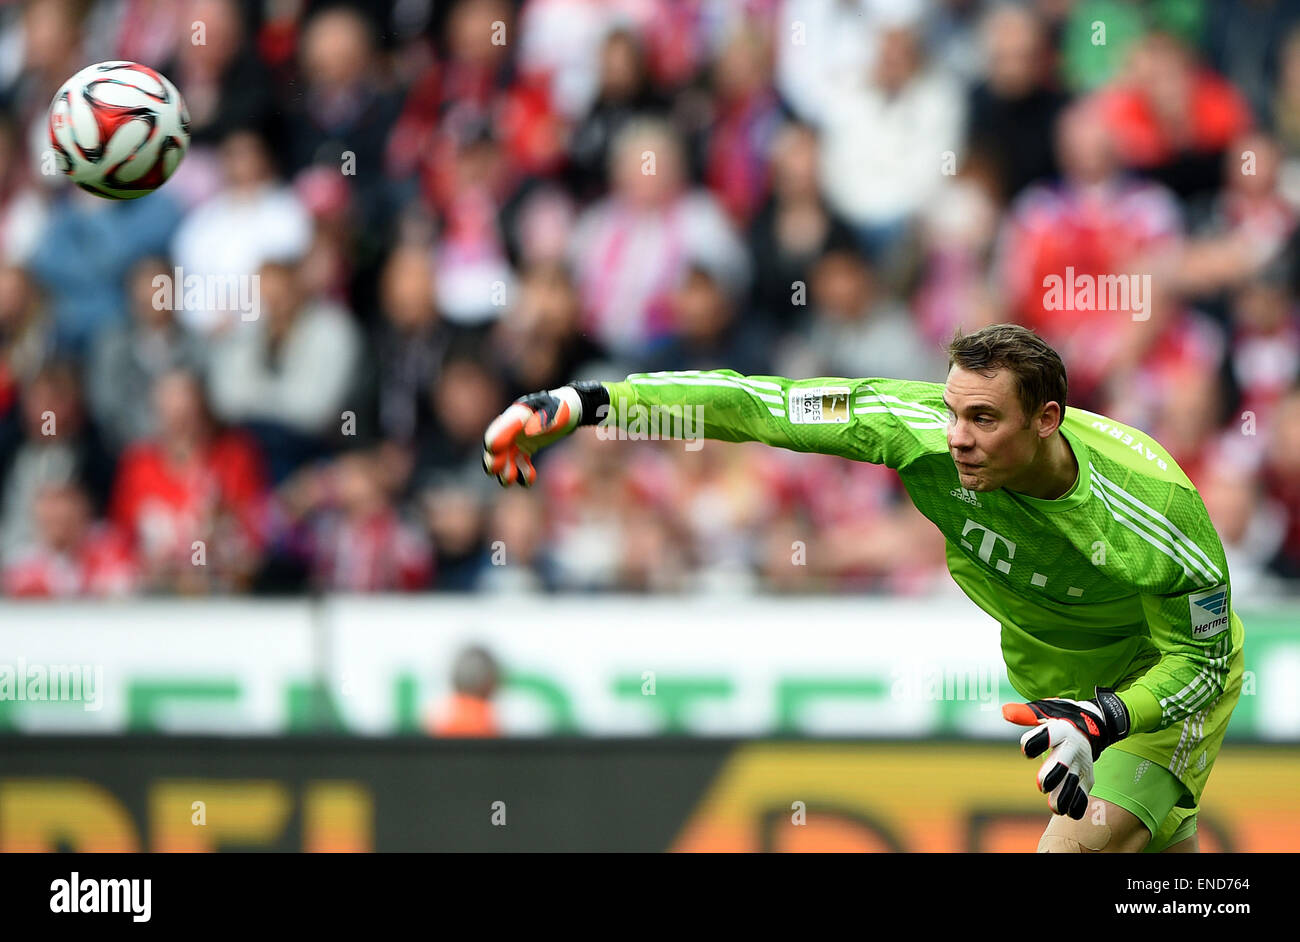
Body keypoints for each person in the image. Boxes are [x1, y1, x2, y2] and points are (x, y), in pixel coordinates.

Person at [481, 322, 1245, 854]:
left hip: (1156, 688)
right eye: (952, 412)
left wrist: (1107, 718)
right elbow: (759, 407)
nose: (956, 437)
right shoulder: (910, 427)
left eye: (983, 419)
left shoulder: (1153, 507)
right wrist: (591, 405)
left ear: (1048, 419)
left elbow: (1202, 662)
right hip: (1057, 693)